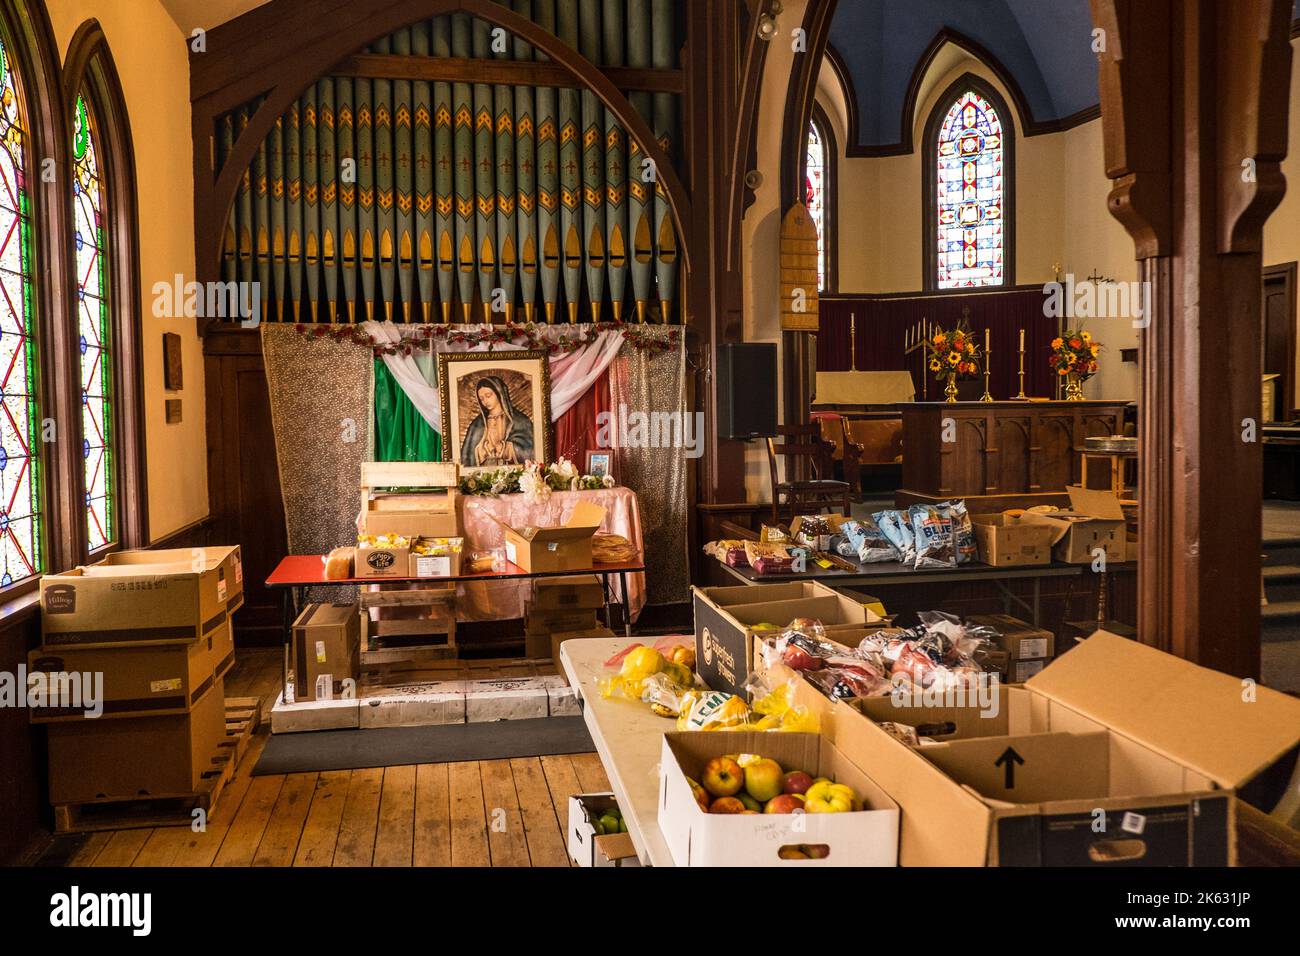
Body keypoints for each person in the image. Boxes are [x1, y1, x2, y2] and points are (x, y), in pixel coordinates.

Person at [459, 374, 536, 466]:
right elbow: (468, 455)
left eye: (488, 396)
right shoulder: (477, 424)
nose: (485, 402)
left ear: (499, 393)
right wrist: (483, 449)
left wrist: (505, 448)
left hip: (512, 473)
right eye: (481, 399)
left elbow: (529, 449)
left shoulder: (519, 420)